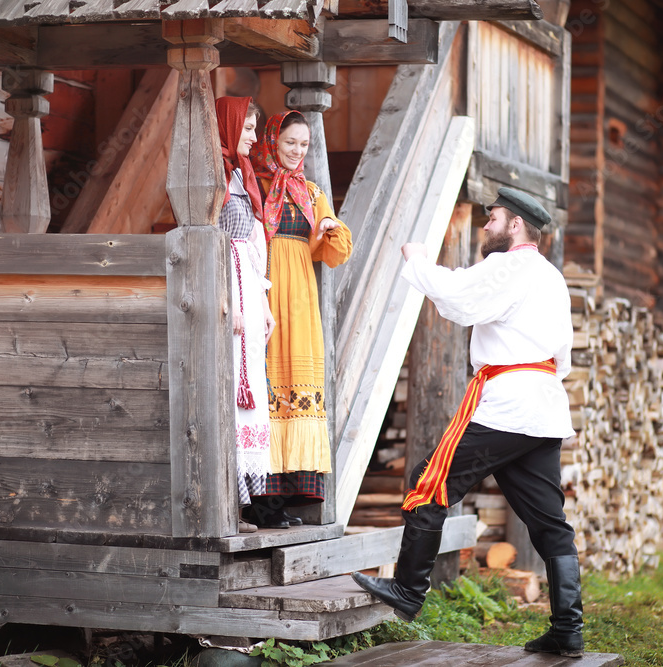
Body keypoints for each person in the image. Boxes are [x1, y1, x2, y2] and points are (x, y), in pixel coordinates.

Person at [351, 187, 584, 658]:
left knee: (427, 483)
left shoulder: (509, 266)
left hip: (508, 405)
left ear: (515, 225)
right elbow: (561, 357)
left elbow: (458, 297)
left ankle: (408, 590)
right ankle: (568, 630)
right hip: (542, 408)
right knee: (550, 523)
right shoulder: (551, 277)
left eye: (492, 217)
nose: (485, 225)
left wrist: (417, 260)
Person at [248, 110, 353, 528]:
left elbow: (337, 253)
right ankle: (261, 505)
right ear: (272, 140)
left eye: (304, 144)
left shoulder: (310, 192)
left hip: (301, 302)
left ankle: (286, 500)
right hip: (266, 291)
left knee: (297, 387)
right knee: (267, 383)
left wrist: (328, 223)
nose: (296, 151)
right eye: (289, 142)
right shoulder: (254, 184)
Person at [215, 96, 276, 534]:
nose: (254, 137)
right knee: (230, 390)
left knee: (249, 384)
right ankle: (225, 506)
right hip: (229, 288)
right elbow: (209, 243)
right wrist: (225, 299)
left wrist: (265, 304)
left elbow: (253, 249)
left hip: (249, 290)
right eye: (248, 128)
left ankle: (241, 506)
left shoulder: (241, 174)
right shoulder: (213, 176)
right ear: (229, 124)